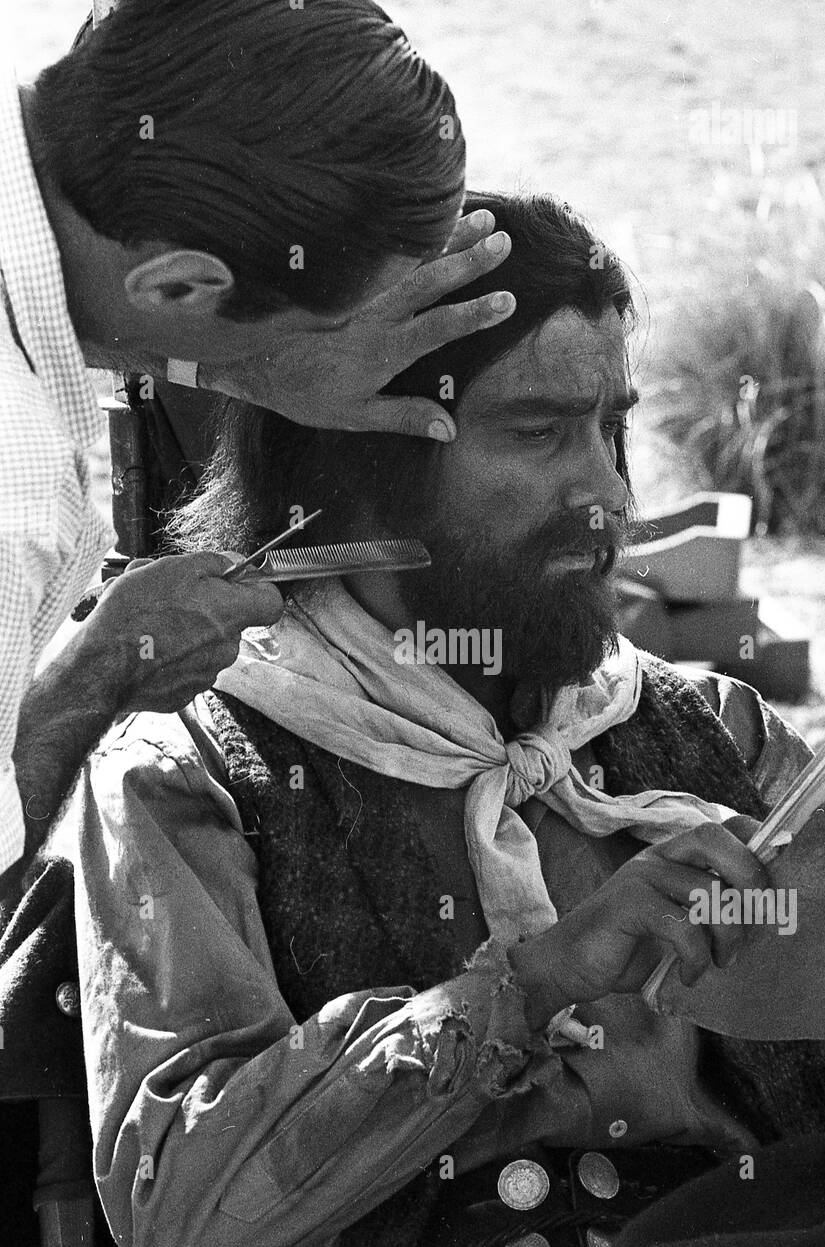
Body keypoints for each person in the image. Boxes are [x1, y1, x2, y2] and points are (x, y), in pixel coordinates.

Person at [63, 192, 825, 1247]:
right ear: (358, 463)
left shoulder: (714, 730)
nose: (605, 494)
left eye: (614, 430)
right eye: (538, 433)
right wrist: (533, 981)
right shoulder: (186, 772)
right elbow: (189, 1221)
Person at [0, 0, 515, 891]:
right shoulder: (17, 495)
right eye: (320, 323)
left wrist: (239, 364)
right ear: (181, 284)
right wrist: (98, 671)